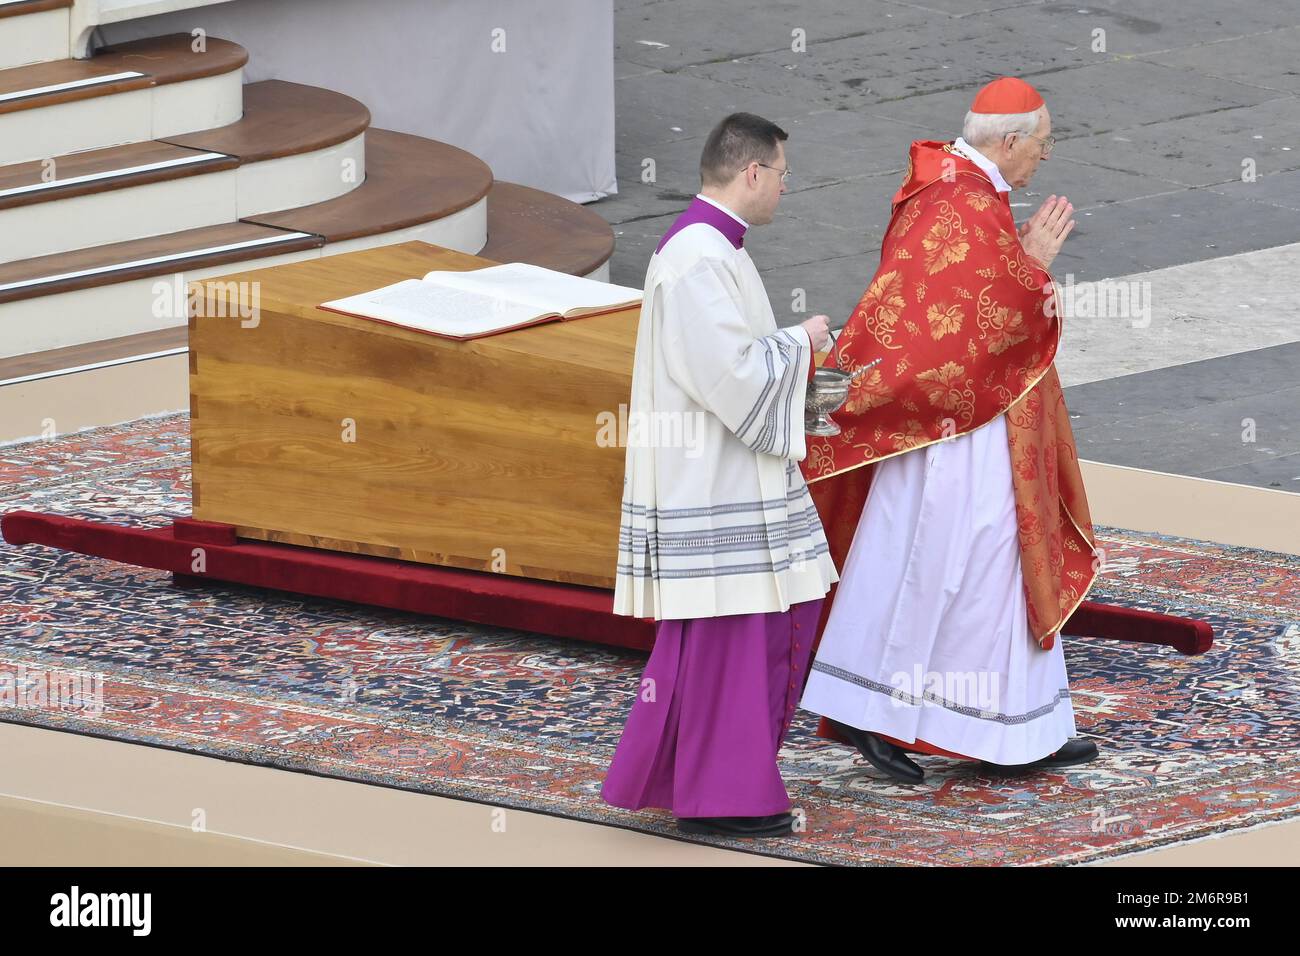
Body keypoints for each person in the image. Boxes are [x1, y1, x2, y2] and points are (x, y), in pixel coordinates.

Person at [800, 77, 1100, 782]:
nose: (1044, 159)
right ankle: (866, 711)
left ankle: (1019, 728)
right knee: (935, 566)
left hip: (976, 421)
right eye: (1044, 144)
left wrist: (1020, 267)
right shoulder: (957, 201)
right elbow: (965, 322)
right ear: (1009, 140)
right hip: (946, 434)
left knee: (996, 566)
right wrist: (1032, 269)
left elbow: (969, 308)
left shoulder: (958, 188)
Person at [602, 112, 839, 838]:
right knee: (736, 641)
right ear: (754, 172)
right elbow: (732, 378)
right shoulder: (699, 258)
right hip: (712, 488)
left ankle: (700, 781)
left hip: (726, 477)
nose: (786, 191)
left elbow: (731, 366)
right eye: (784, 176)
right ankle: (724, 795)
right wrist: (801, 343)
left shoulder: (713, 249)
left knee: (741, 634)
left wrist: (798, 372)